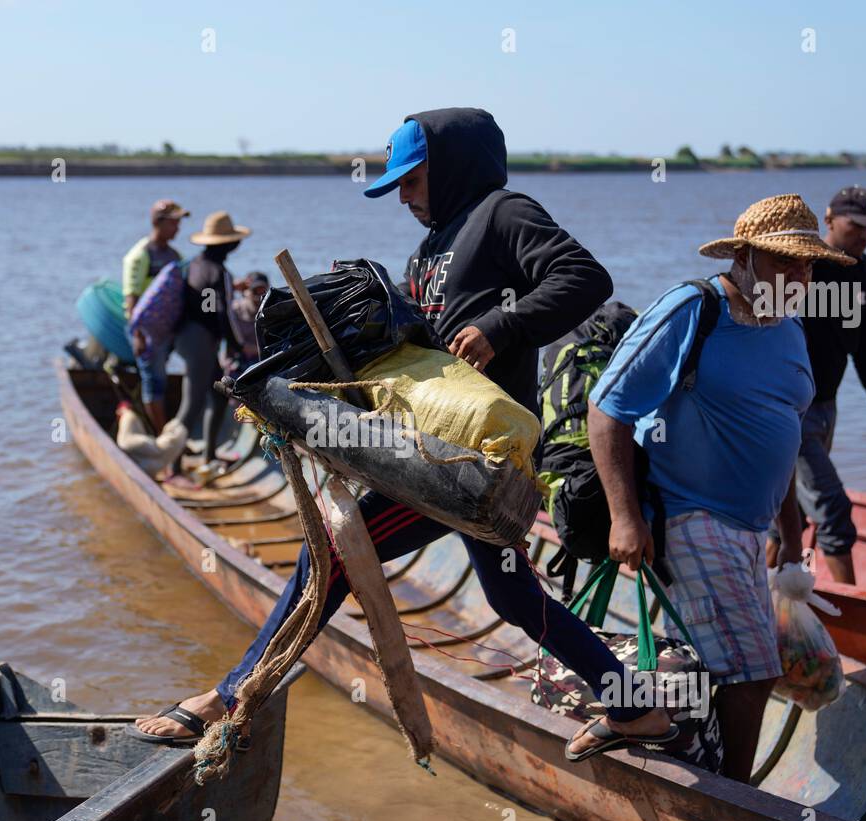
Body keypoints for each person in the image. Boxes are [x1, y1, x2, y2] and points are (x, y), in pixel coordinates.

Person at [133, 107, 677, 763]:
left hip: (476, 458)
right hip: (431, 448)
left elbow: (585, 278)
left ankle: (231, 696)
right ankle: (634, 705)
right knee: (510, 596)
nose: (404, 199)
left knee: (331, 554)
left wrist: (501, 328)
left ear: (448, 168)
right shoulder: (430, 248)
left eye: (411, 182)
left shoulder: (504, 213)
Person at [587, 193, 856, 781]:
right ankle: (738, 799)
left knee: (717, 664)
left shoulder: (787, 330)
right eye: (787, 263)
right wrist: (624, 518)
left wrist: (788, 534)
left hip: (749, 529)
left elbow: (781, 436)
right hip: (688, 515)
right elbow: (608, 411)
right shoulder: (693, 309)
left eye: (809, 265)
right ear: (743, 257)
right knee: (755, 667)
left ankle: (686, 762)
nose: (801, 277)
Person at [766, 186, 866, 584]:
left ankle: (764, 594)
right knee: (833, 511)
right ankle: (854, 622)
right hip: (791, 413)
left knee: (791, 511)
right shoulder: (803, 269)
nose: (864, 235)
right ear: (828, 220)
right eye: (856, 225)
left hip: (826, 409)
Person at [170, 211, 250, 487]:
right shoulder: (221, 273)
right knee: (190, 406)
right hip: (200, 342)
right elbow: (226, 315)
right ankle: (174, 468)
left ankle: (208, 457)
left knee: (216, 398)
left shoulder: (195, 264)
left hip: (187, 338)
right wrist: (239, 346)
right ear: (228, 245)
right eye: (235, 241)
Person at [124, 199, 189, 433]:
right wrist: (138, 335)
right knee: (154, 383)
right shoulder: (140, 255)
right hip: (146, 331)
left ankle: (166, 428)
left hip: (166, 330)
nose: (178, 229)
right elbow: (132, 298)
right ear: (158, 223)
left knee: (161, 377)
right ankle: (162, 437)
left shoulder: (174, 254)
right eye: (173, 223)